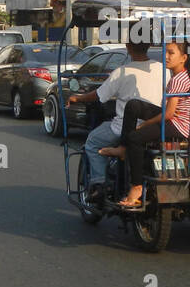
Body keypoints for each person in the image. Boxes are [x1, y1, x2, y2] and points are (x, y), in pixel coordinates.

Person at [100, 39, 190, 209]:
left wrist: (145, 124)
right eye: (165, 52)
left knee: (135, 137)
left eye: (171, 53)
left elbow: (169, 114)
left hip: (178, 125)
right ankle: (122, 148)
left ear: (183, 58)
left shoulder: (177, 80)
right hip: (180, 121)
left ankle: (136, 186)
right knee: (133, 105)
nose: (166, 57)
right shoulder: (187, 75)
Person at [67, 40, 164, 202]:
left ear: (128, 47)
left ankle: (99, 185)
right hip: (154, 127)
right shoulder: (164, 70)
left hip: (123, 128)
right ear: (148, 45)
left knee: (92, 142)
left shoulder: (121, 72)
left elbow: (99, 95)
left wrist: (77, 98)